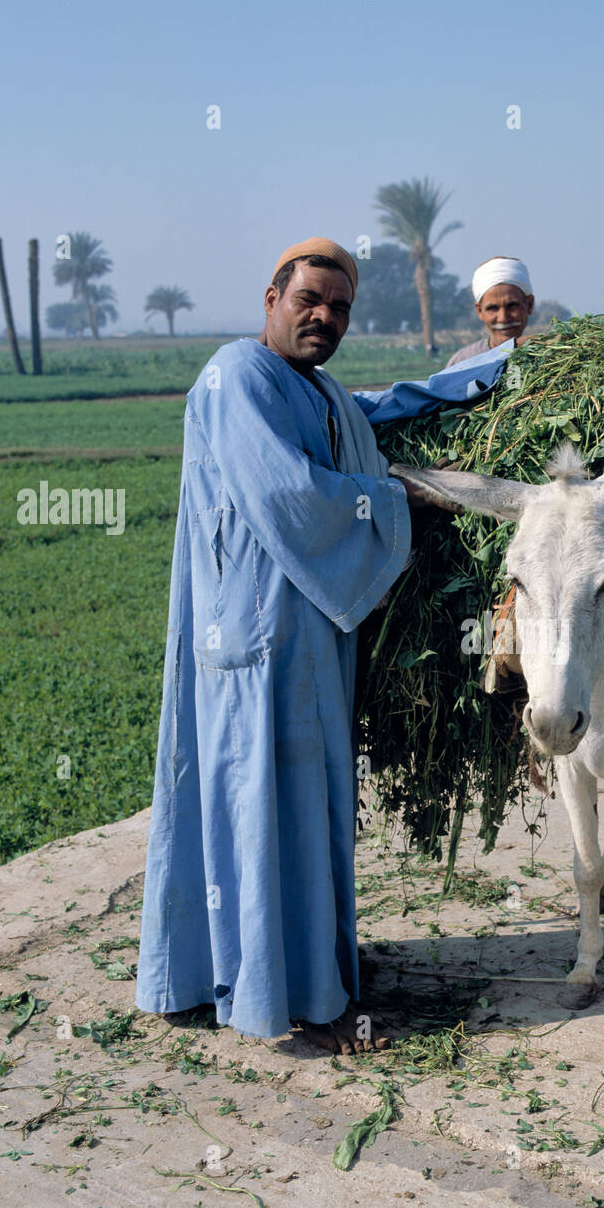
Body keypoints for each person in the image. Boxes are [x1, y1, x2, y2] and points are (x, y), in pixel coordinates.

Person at [136, 237, 508, 1055]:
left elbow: (377, 407)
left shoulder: (318, 389)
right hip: (252, 642)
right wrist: (401, 491)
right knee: (258, 808)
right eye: (310, 299)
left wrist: (488, 373)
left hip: (307, 641)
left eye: (339, 308)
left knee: (306, 812)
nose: (324, 317)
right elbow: (294, 495)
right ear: (271, 296)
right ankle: (287, 997)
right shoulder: (238, 377)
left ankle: (287, 975)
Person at [445, 256, 535, 367]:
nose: (503, 318)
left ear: (529, 304)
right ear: (480, 311)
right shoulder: (462, 363)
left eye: (512, 306)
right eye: (493, 308)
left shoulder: (550, 360)